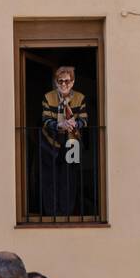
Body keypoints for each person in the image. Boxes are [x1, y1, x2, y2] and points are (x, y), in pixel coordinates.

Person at [37, 66, 89, 218]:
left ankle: (66, 214)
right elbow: (45, 120)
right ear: (56, 82)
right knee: (50, 181)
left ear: (72, 82)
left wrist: (75, 124)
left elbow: (84, 120)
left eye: (67, 81)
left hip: (72, 144)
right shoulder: (48, 97)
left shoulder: (80, 98)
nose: (64, 84)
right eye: (60, 81)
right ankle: (51, 214)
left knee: (69, 180)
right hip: (50, 144)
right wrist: (59, 125)